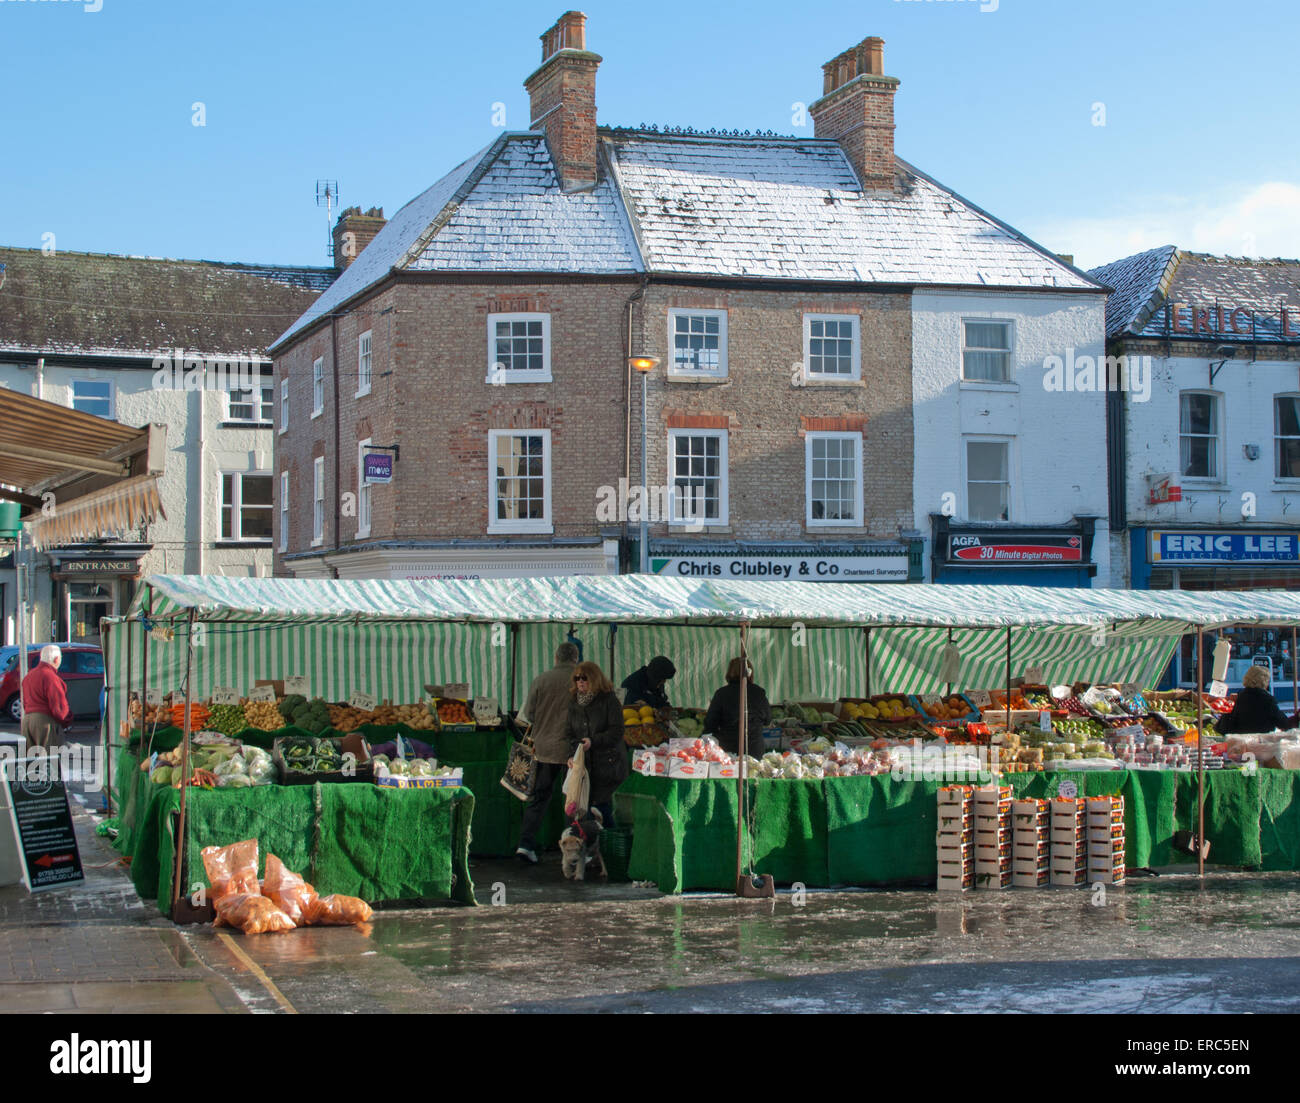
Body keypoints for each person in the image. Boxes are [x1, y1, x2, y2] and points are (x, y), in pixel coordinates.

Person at [515, 643, 580, 864]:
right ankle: (572, 849)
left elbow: (529, 713)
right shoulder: (581, 681)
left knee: (538, 798)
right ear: (576, 658)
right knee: (572, 800)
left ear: (555, 657)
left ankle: (525, 845)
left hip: (543, 749)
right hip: (572, 751)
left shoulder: (541, 680)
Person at [567, 660, 626, 829]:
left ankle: (608, 846)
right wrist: (571, 754)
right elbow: (569, 732)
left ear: (594, 678)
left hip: (607, 764)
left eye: (584, 678)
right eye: (576, 678)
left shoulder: (609, 700)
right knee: (585, 809)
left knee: (602, 809)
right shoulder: (573, 702)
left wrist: (594, 741)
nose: (580, 681)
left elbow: (617, 731)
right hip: (585, 765)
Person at [704, 657, 771, 759]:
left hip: (728, 749)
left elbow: (710, 722)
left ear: (729, 672)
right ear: (749, 672)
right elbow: (768, 720)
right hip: (755, 749)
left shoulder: (722, 694)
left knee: (730, 773)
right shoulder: (759, 692)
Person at [21, 644, 73, 752]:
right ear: (56, 659)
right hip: (45, 722)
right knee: (50, 761)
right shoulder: (51, 677)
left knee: (31, 762)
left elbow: (25, 702)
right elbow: (59, 708)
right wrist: (67, 721)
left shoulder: (29, 676)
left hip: (27, 721)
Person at [1216, 665, 1295, 735]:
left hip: (1239, 745)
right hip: (1260, 746)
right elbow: (1283, 723)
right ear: (1265, 681)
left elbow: (1222, 727)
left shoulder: (1237, 698)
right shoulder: (1267, 700)